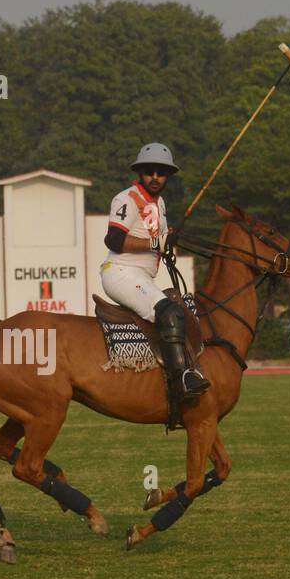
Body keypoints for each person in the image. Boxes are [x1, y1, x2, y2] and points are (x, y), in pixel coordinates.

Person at [99, 142, 209, 398]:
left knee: (182, 308)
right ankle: (181, 378)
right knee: (169, 312)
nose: (156, 177)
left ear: (168, 175)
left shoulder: (160, 204)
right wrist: (155, 242)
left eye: (161, 172)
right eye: (150, 171)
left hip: (141, 276)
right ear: (140, 172)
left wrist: (166, 241)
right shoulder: (127, 198)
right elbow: (113, 239)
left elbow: (157, 242)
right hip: (120, 271)